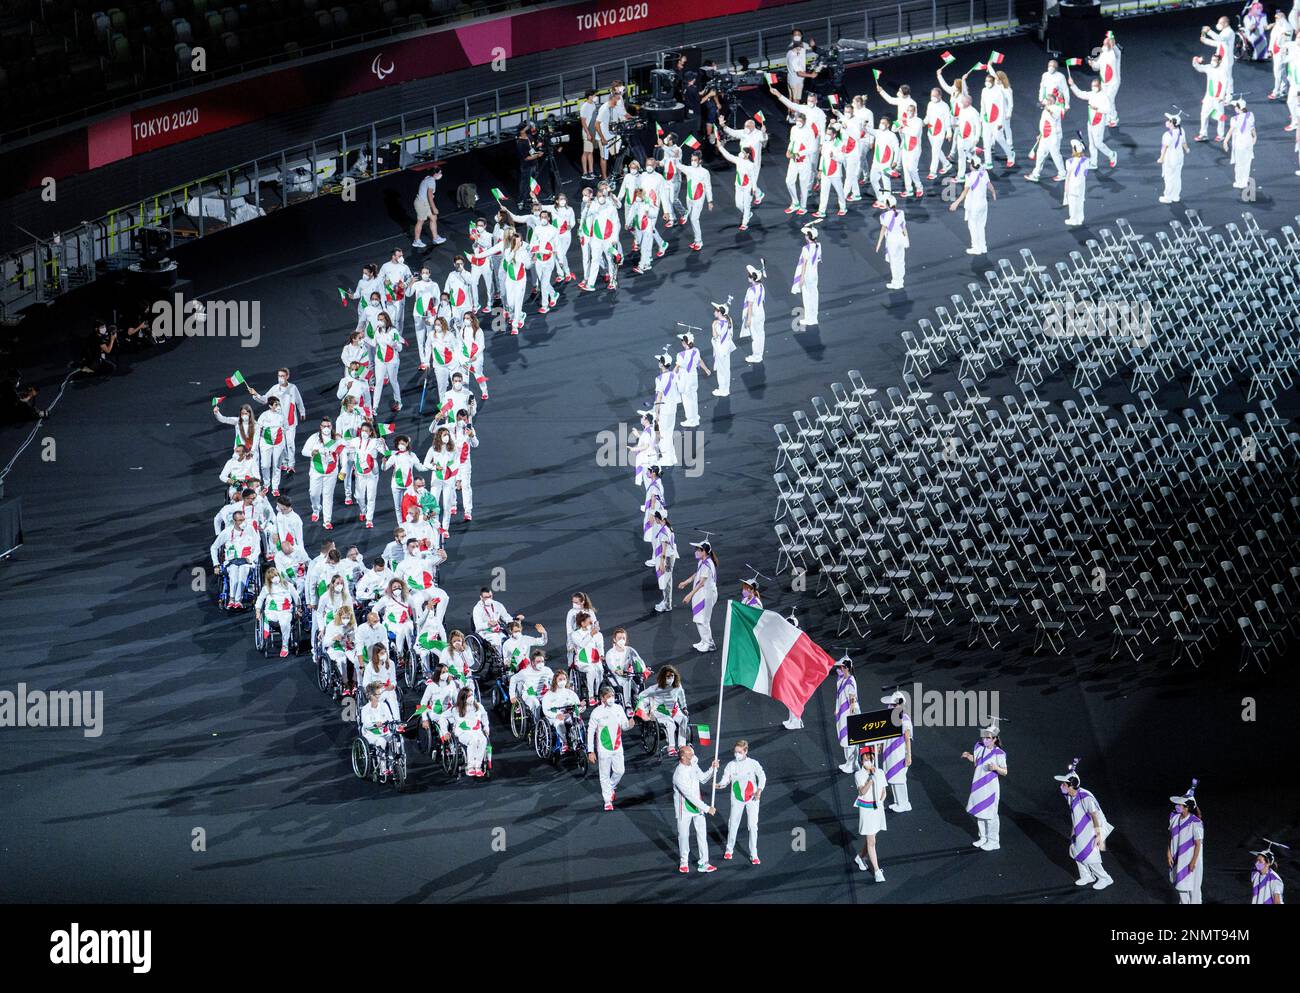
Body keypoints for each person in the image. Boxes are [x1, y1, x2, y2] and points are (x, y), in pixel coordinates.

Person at [1053, 758, 1114, 890]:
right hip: (1080, 829)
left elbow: (1095, 816)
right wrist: (1074, 830)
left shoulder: (1086, 797)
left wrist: (1098, 835)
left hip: (1093, 829)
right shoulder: (1070, 795)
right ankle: (1087, 876)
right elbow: (1076, 814)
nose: (1062, 786)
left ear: (1071, 786)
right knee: (1075, 850)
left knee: (1089, 855)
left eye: (1064, 784)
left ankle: (1105, 878)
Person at [716, 739, 765, 864]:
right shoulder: (730, 765)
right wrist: (719, 785)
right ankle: (729, 849)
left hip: (752, 798)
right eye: (735, 752)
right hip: (737, 799)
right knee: (733, 824)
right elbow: (725, 780)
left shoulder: (753, 763)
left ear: (746, 751)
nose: (736, 754)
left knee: (753, 826)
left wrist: (759, 790)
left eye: (739, 752)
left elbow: (762, 776)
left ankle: (754, 854)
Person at [672, 745, 719, 873]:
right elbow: (689, 796)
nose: (694, 756)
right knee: (684, 836)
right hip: (685, 810)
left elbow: (703, 778)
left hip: (698, 809)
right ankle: (683, 862)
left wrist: (712, 769)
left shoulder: (693, 764)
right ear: (683, 757)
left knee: (702, 835)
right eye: (691, 754)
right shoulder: (678, 775)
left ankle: (704, 862)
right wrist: (707, 808)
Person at [962, 722, 1007, 851]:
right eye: (984, 737)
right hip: (978, 785)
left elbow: (1005, 771)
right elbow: (977, 762)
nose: (985, 739)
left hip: (990, 788)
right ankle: (983, 837)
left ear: (995, 739)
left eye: (988, 738)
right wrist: (968, 756)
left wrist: (996, 768)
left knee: (990, 815)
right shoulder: (979, 747)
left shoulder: (999, 753)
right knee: (979, 812)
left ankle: (993, 841)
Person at [587, 685, 632, 810]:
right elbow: (590, 732)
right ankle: (607, 801)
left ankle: (610, 787)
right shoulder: (596, 712)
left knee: (620, 771)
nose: (611, 698)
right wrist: (590, 751)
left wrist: (630, 724)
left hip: (617, 747)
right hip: (604, 748)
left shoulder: (618, 708)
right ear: (602, 698)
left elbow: (624, 725)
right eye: (608, 696)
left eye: (612, 696)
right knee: (604, 774)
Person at [1068, 69, 1117, 167]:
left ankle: (1111, 154)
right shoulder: (1091, 94)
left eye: (1095, 86)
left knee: (1098, 144)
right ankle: (1093, 163)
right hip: (1090, 122)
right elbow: (1080, 94)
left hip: (1098, 123)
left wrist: (1097, 108)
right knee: (1092, 144)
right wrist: (1072, 85)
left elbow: (1108, 110)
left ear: (1099, 86)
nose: (1093, 87)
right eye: (1092, 86)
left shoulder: (1104, 96)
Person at [853, 745, 888, 880]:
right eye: (865, 758)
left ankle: (860, 857)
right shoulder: (859, 774)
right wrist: (870, 778)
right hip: (866, 810)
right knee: (872, 841)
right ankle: (878, 872)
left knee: (872, 838)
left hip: (877, 809)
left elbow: (884, 791)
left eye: (870, 757)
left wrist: (882, 800)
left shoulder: (880, 772)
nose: (868, 760)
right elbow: (862, 791)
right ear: (861, 760)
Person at [211, 509, 260, 607]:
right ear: (234, 521)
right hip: (231, 561)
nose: (243, 522)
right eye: (240, 520)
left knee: (242, 572)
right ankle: (231, 599)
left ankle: (238, 600)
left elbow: (257, 548)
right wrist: (216, 564)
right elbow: (214, 547)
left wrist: (251, 558)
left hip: (246, 560)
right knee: (234, 573)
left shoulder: (250, 529)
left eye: (243, 519)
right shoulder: (227, 532)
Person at [636, 665, 689, 753]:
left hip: (673, 710)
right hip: (660, 711)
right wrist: (644, 711)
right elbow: (641, 696)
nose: (671, 678)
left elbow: (681, 696)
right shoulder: (654, 688)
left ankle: (681, 745)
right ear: (663, 677)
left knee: (684, 719)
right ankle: (671, 747)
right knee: (671, 724)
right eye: (668, 676)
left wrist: (684, 707)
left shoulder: (677, 686)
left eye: (672, 676)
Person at [949, 155, 995, 255]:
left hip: (974, 205)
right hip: (984, 204)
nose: (969, 165)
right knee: (981, 226)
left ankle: (976, 248)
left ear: (972, 166)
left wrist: (956, 203)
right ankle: (983, 247)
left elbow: (965, 192)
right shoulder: (985, 173)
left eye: (970, 163)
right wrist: (993, 192)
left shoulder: (969, 176)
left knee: (973, 226)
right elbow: (989, 185)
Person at [1168, 779, 1205, 904]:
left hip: (1191, 859)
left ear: (1186, 807)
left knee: (1193, 887)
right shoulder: (1174, 817)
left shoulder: (1196, 823)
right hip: (1177, 857)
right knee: (1180, 885)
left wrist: (1193, 861)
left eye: (1179, 805)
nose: (1176, 806)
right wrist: (1168, 852)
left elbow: (1198, 844)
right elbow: (1171, 836)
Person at [679, 540, 719, 651]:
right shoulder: (703, 561)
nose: (696, 551)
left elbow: (701, 583)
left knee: (703, 620)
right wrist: (686, 582)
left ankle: (709, 644)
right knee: (699, 618)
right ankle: (704, 640)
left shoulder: (707, 564)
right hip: (703, 594)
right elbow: (697, 574)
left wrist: (689, 595)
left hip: (706, 595)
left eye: (698, 550)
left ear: (704, 552)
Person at [714, 135, 759, 230]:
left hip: (747, 187)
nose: (741, 153)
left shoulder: (751, 165)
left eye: (743, 152)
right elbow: (728, 156)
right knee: (738, 205)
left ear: (747, 155)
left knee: (747, 205)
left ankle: (744, 223)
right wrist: (720, 147)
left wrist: (754, 189)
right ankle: (748, 214)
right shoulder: (738, 160)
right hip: (738, 186)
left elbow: (753, 178)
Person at [359, 683, 403, 779]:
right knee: (381, 741)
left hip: (384, 731)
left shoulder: (384, 706)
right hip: (371, 734)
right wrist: (375, 724)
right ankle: (383, 768)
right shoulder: (365, 709)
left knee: (394, 739)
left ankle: (392, 765)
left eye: (379, 694)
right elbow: (366, 724)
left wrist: (396, 724)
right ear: (370, 696)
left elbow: (390, 719)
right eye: (377, 694)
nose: (379, 696)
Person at [880, 690, 913, 811]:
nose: (890, 706)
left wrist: (908, 755)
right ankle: (898, 801)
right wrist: (880, 746)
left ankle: (904, 804)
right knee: (891, 777)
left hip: (899, 753)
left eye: (893, 705)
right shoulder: (891, 717)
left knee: (898, 778)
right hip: (889, 751)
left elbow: (907, 738)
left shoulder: (905, 719)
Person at [677, 148, 714, 251]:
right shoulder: (688, 169)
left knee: (694, 219)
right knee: (691, 218)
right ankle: (696, 240)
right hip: (689, 197)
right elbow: (678, 165)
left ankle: (699, 241)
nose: (693, 162)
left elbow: (708, 187)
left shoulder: (705, 172)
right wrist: (675, 154)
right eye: (692, 159)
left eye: (695, 160)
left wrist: (710, 201)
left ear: (700, 161)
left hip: (699, 198)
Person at [451, 686, 491, 777]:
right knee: (472, 741)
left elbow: (484, 716)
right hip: (463, 731)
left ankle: (478, 766)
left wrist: (486, 728)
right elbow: (461, 722)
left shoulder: (478, 706)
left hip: (476, 731)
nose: (471, 697)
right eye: (469, 695)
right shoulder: (456, 709)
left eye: (472, 694)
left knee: (483, 741)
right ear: (463, 698)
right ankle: (470, 766)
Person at [674, 331, 709, 429]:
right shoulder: (696, 350)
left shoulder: (680, 354)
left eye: (682, 341)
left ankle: (691, 420)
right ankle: (695, 417)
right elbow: (700, 361)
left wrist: (671, 377)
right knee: (693, 398)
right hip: (694, 377)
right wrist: (706, 369)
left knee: (687, 400)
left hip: (685, 379)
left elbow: (677, 367)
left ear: (684, 343)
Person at [1025, 97, 1065, 183]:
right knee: (1040, 154)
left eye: (1049, 99)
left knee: (1055, 155)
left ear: (1053, 101)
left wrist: (1048, 110)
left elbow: (1055, 117)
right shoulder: (1045, 110)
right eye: (1047, 99)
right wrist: (1041, 133)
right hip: (1045, 136)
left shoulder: (1057, 108)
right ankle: (1035, 174)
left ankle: (1062, 173)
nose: (1047, 101)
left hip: (1054, 136)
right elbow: (1045, 123)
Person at [1191, 54, 1229, 143]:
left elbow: (1224, 83)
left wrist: (1221, 96)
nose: (1212, 61)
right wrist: (1195, 61)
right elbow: (1199, 68)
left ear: (1219, 61)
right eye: (1212, 59)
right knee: (1203, 114)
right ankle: (1203, 134)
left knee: (1221, 117)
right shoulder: (1209, 67)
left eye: (1215, 60)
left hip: (1217, 98)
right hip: (1208, 97)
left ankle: (1221, 135)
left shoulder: (1222, 71)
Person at [874, 194, 908, 291]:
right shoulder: (901, 212)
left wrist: (879, 243)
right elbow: (903, 227)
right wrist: (907, 239)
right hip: (901, 238)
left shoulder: (884, 216)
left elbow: (883, 230)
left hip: (892, 240)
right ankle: (900, 280)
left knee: (894, 262)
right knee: (901, 260)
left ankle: (896, 282)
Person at [792, 224, 821, 327]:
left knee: (807, 297)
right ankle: (814, 317)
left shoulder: (806, 248)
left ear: (808, 237)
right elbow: (818, 259)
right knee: (814, 295)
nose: (804, 236)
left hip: (808, 274)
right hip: (815, 274)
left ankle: (809, 319)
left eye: (805, 235)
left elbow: (803, 265)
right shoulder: (818, 245)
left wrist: (801, 278)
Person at [1223, 98, 1256, 190]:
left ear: (1239, 108)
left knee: (1239, 164)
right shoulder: (1250, 115)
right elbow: (1253, 129)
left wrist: (1225, 141)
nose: (1234, 108)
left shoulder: (1234, 119)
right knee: (1247, 163)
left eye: (1235, 107)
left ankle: (1239, 182)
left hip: (1240, 144)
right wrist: (1255, 137)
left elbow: (1230, 132)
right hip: (1248, 142)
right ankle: (1244, 181)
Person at [1157, 111, 1188, 203]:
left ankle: (1168, 197)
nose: (1167, 122)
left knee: (1169, 178)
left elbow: (1165, 147)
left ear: (1172, 123)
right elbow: (1184, 142)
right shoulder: (1182, 130)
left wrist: (1161, 158)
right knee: (1177, 176)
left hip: (1170, 158)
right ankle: (1176, 196)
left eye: (1169, 121)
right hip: (1179, 157)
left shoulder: (1167, 135)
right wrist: (1187, 149)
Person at [412, 165, 446, 247]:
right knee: (420, 222)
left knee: (433, 218)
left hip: (424, 203)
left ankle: (435, 238)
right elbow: (429, 196)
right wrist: (434, 208)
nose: (441, 174)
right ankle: (416, 241)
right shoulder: (431, 181)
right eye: (440, 173)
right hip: (422, 204)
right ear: (435, 174)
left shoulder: (428, 177)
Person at [834, 657, 859, 771]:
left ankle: (852, 764)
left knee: (850, 739)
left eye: (842, 667)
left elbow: (852, 697)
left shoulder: (850, 681)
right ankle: (848, 762)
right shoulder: (843, 679)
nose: (840, 669)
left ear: (847, 668)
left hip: (849, 713)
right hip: (843, 712)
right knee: (845, 738)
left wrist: (852, 711)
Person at [1201, 16, 1236, 94]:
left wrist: (1209, 31)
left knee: (1227, 78)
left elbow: (1220, 39)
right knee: (1219, 77)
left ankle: (1229, 96)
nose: (1218, 24)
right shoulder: (1224, 31)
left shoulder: (1229, 32)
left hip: (1226, 60)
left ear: (1226, 23)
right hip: (1220, 59)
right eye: (1218, 22)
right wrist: (1205, 41)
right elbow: (1218, 44)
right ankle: (1221, 94)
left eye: (1220, 23)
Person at [923, 87, 953, 180]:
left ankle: (933, 172)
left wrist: (949, 132)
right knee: (937, 150)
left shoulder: (945, 106)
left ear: (940, 96)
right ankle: (947, 164)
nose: (933, 98)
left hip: (940, 133)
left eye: (935, 96)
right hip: (931, 132)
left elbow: (947, 120)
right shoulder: (930, 104)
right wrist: (923, 123)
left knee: (935, 152)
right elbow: (928, 116)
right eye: (932, 96)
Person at [709, 299, 736, 398]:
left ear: (719, 312)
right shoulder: (729, 319)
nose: (714, 312)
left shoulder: (717, 324)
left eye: (715, 310)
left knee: (721, 370)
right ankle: (726, 389)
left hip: (720, 349)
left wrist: (713, 326)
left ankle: (722, 390)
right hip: (727, 347)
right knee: (726, 369)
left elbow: (715, 336)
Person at [740, 264, 766, 363]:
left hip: (754, 315)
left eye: (749, 275)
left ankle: (756, 356)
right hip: (761, 313)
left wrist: (749, 319)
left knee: (755, 336)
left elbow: (750, 306)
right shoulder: (761, 286)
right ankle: (760, 354)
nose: (747, 277)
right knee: (761, 334)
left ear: (753, 278)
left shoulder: (751, 290)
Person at [1062, 139, 1089, 226]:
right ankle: (1080, 218)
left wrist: (1066, 187)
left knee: (1072, 202)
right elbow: (1085, 173)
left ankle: (1073, 219)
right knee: (1080, 202)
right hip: (1082, 184)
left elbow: (1068, 176)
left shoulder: (1069, 161)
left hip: (1073, 184)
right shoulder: (1086, 160)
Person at [579, 88, 600, 179]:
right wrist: (587, 133)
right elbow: (583, 122)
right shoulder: (585, 106)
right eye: (595, 95)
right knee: (586, 152)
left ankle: (591, 171)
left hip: (593, 131)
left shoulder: (593, 105)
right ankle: (585, 173)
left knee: (590, 152)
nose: (596, 97)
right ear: (590, 96)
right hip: (587, 131)